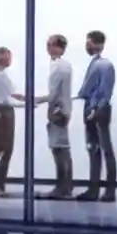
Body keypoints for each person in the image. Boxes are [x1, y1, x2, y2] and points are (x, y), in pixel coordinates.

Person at [76, 30, 116, 202]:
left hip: (97, 109)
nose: (87, 45)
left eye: (89, 42)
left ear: (97, 43)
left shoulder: (104, 65)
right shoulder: (98, 64)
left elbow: (104, 91)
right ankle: (94, 190)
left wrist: (95, 108)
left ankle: (108, 191)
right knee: (94, 149)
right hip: (93, 108)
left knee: (104, 149)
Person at [35, 34, 74, 199]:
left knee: (59, 151)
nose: (48, 48)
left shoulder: (60, 68)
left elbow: (54, 94)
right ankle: (66, 186)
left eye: (51, 45)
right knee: (63, 150)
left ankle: (61, 188)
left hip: (58, 111)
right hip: (61, 110)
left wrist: (36, 99)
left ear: (60, 47)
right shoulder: (62, 66)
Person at [0, 47, 26, 197]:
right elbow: (9, 98)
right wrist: (27, 104)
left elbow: (9, 94)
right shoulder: (3, 77)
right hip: (5, 113)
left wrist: (23, 98)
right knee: (6, 151)